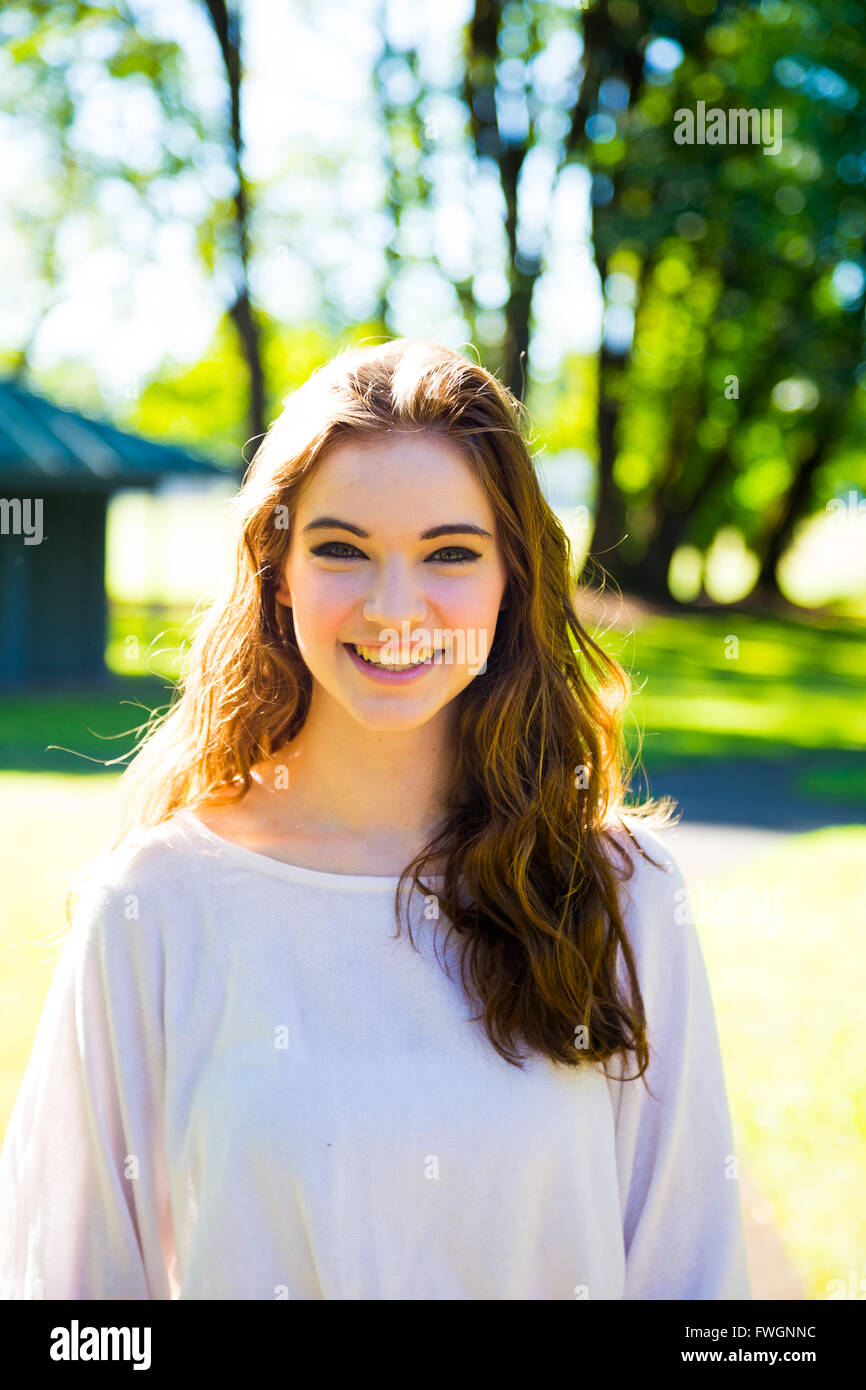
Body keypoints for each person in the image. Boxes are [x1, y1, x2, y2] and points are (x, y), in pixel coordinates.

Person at [0, 338, 751, 1300]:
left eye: (449, 553)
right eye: (342, 549)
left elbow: (694, 1285)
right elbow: (74, 1298)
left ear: (512, 578)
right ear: (278, 571)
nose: (396, 607)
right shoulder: (153, 908)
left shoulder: (621, 891)